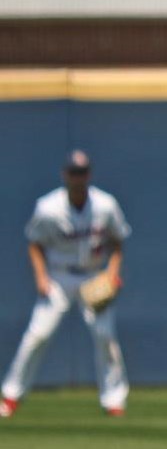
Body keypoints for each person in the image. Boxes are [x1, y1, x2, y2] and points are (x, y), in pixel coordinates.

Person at [1, 150, 131, 418]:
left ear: (89, 175)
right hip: (59, 277)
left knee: (105, 338)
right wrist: (41, 277)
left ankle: (114, 400)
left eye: (82, 172)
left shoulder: (105, 205)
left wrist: (111, 273)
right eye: (74, 172)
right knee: (37, 335)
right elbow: (35, 244)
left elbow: (118, 240)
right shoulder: (48, 208)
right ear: (65, 175)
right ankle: (11, 396)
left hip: (94, 275)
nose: (78, 177)